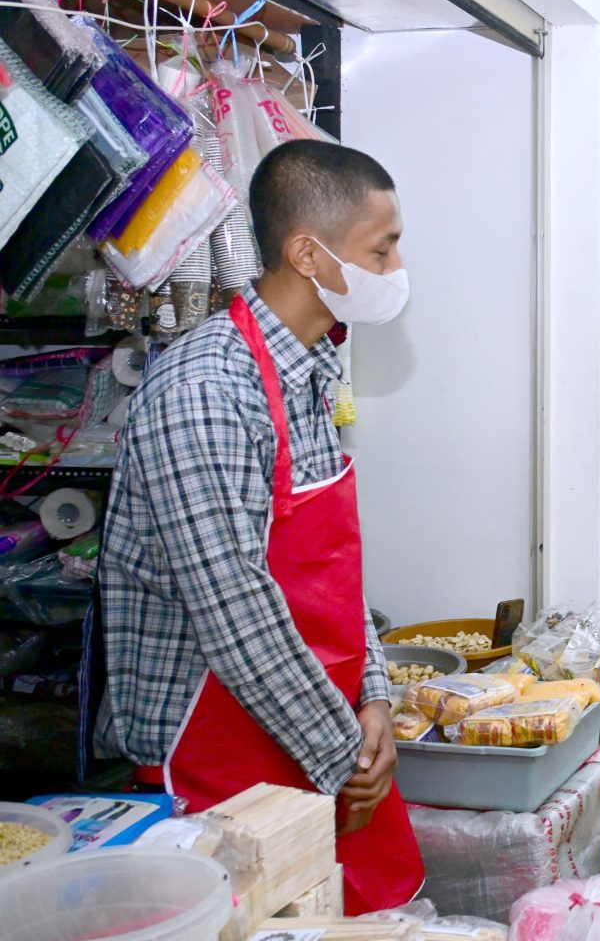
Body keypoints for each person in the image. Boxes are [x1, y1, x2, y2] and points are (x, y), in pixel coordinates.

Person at [98, 140, 424, 911]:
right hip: (217, 762)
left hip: (318, 734)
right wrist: (345, 752)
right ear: (308, 254)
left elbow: (338, 581)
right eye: (383, 249)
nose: (396, 269)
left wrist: (372, 696)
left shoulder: (307, 374)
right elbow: (236, 614)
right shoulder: (206, 391)